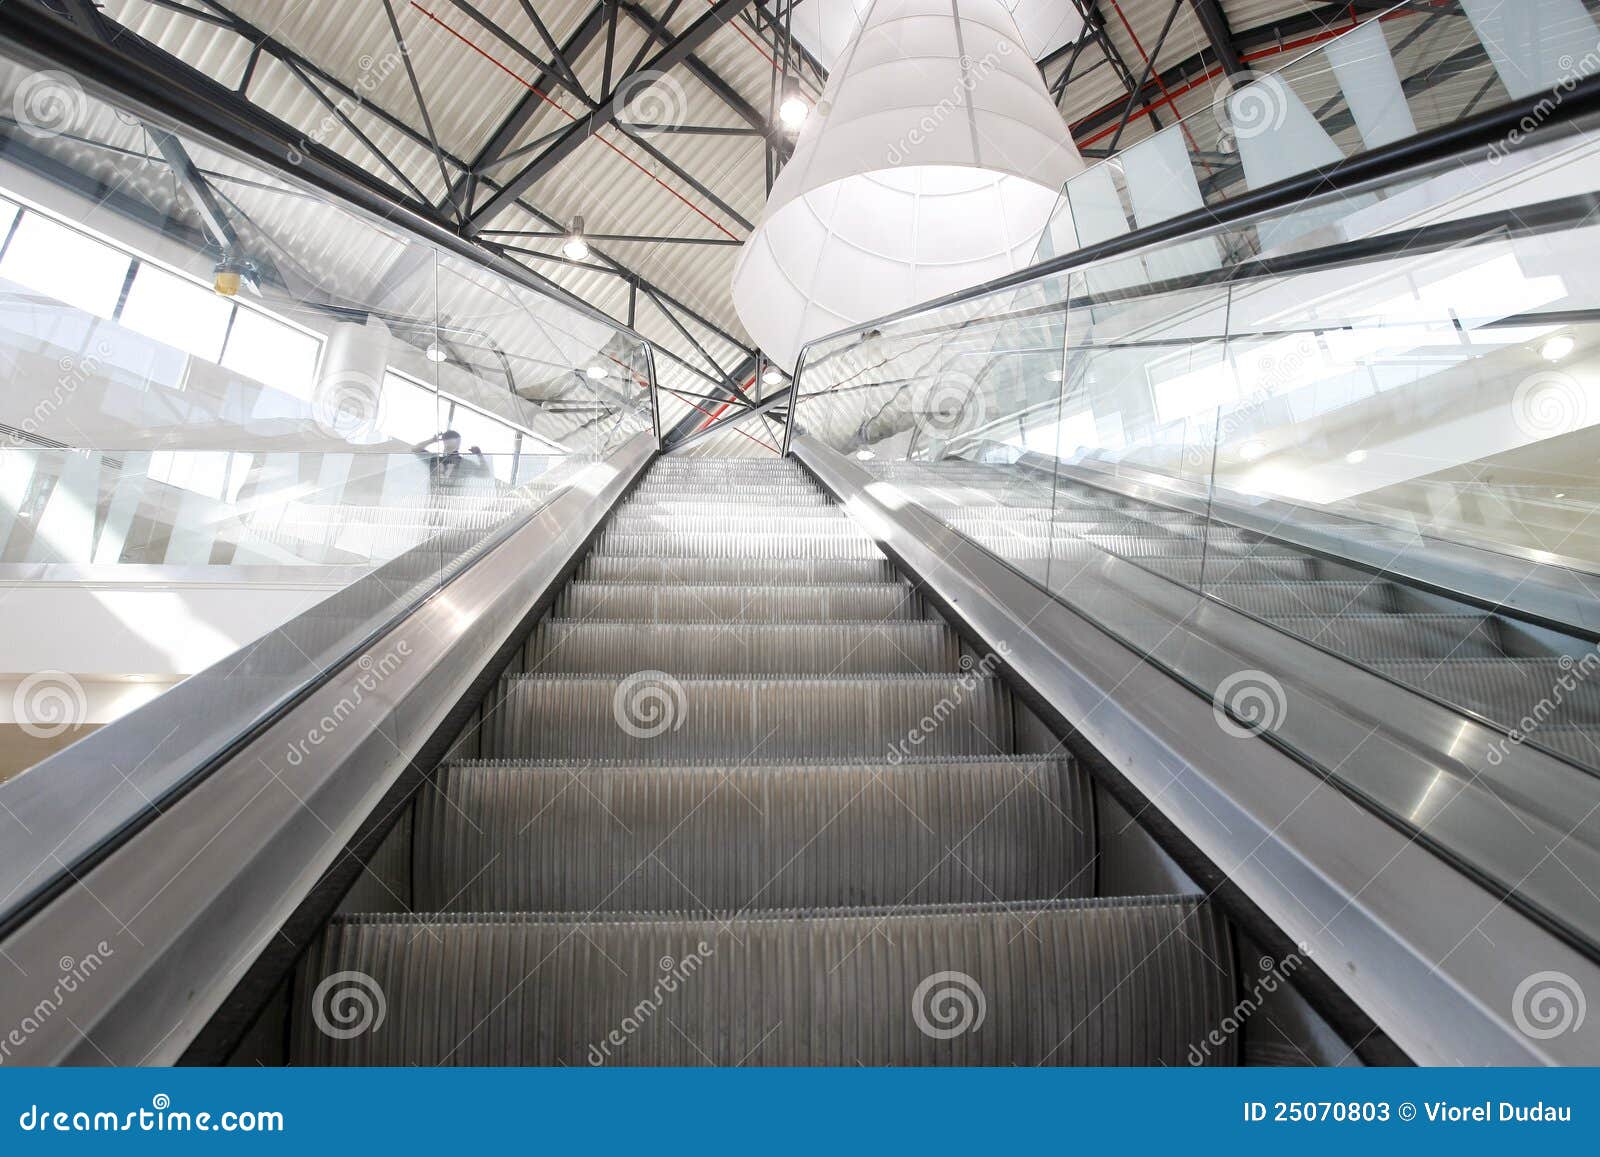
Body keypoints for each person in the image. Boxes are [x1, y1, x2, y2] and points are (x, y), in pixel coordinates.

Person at [412, 430, 487, 483]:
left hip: (453, 501)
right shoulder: (435, 459)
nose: (447, 443)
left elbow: (484, 474)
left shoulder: (463, 463)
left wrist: (479, 455)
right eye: (446, 440)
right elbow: (415, 449)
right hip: (436, 500)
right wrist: (432, 440)